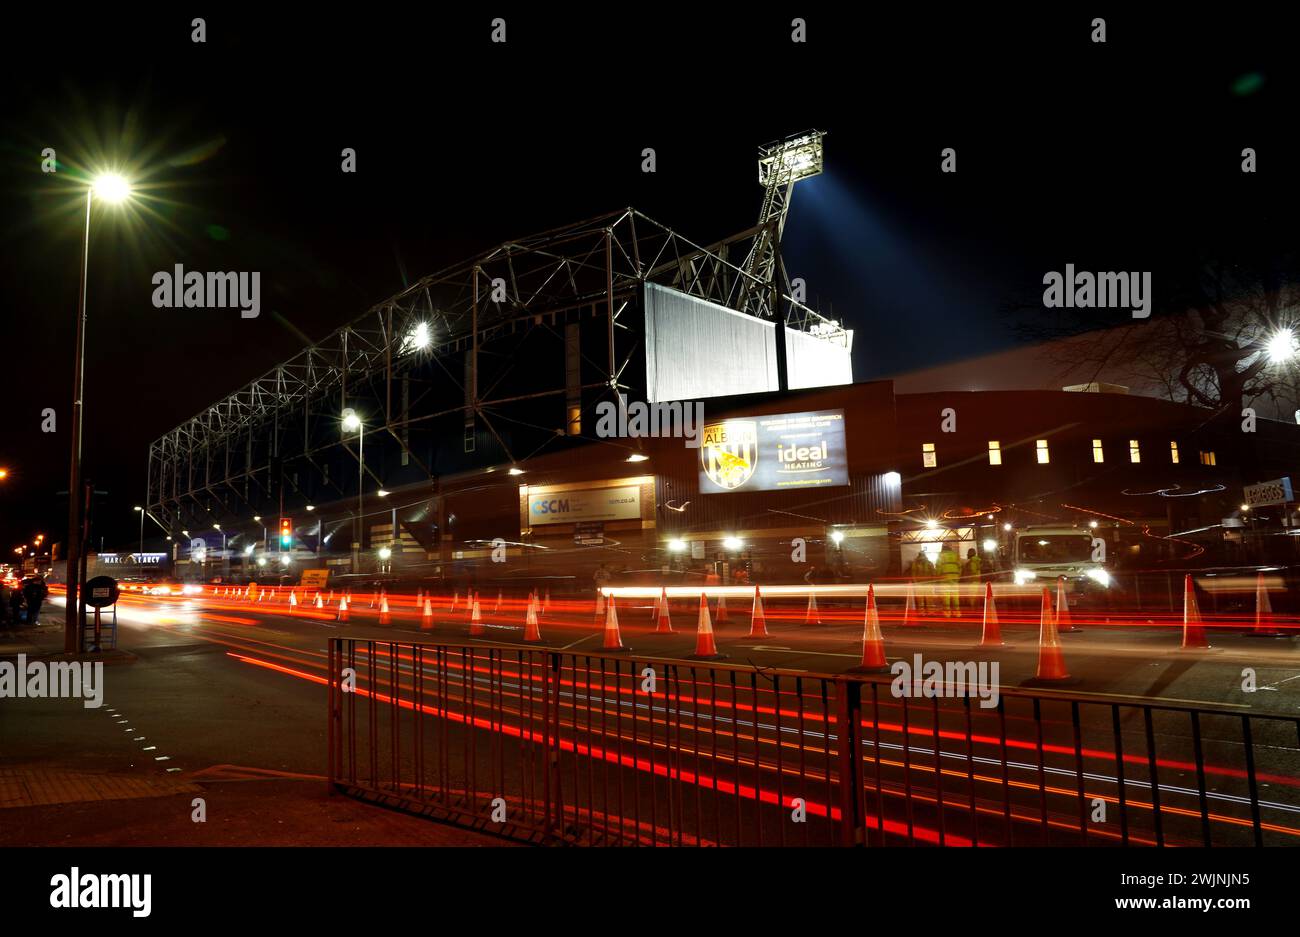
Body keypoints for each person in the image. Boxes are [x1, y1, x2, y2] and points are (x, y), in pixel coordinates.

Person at [935, 544, 962, 618]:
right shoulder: (956, 555)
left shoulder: (941, 555)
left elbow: (938, 567)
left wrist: (937, 576)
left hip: (945, 578)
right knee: (955, 596)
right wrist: (958, 576)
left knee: (946, 596)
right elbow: (960, 567)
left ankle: (947, 612)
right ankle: (957, 612)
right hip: (955, 578)